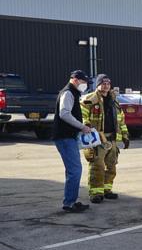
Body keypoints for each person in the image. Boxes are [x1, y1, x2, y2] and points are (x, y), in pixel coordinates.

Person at [80, 74, 130, 203]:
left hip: (112, 139)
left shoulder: (114, 101)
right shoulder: (89, 99)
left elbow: (121, 120)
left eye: (108, 83)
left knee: (111, 166)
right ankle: (96, 193)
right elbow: (83, 116)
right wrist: (86, 127)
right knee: (97, 166)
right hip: (97, 139)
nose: (106, 85)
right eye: (103, 83)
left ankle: (107, 190)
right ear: (97, 85)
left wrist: (125, 135)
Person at [52, 70, 93, 213]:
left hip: (67, 137)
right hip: (65, 137)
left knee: (72, 171)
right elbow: (64, 114)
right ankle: (69, 203)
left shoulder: (72, 93)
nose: (85, 85)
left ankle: (70, 201)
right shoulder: (68, 93)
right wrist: (82, 127)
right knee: (75, 170)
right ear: (75, 80)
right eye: (83, 82)